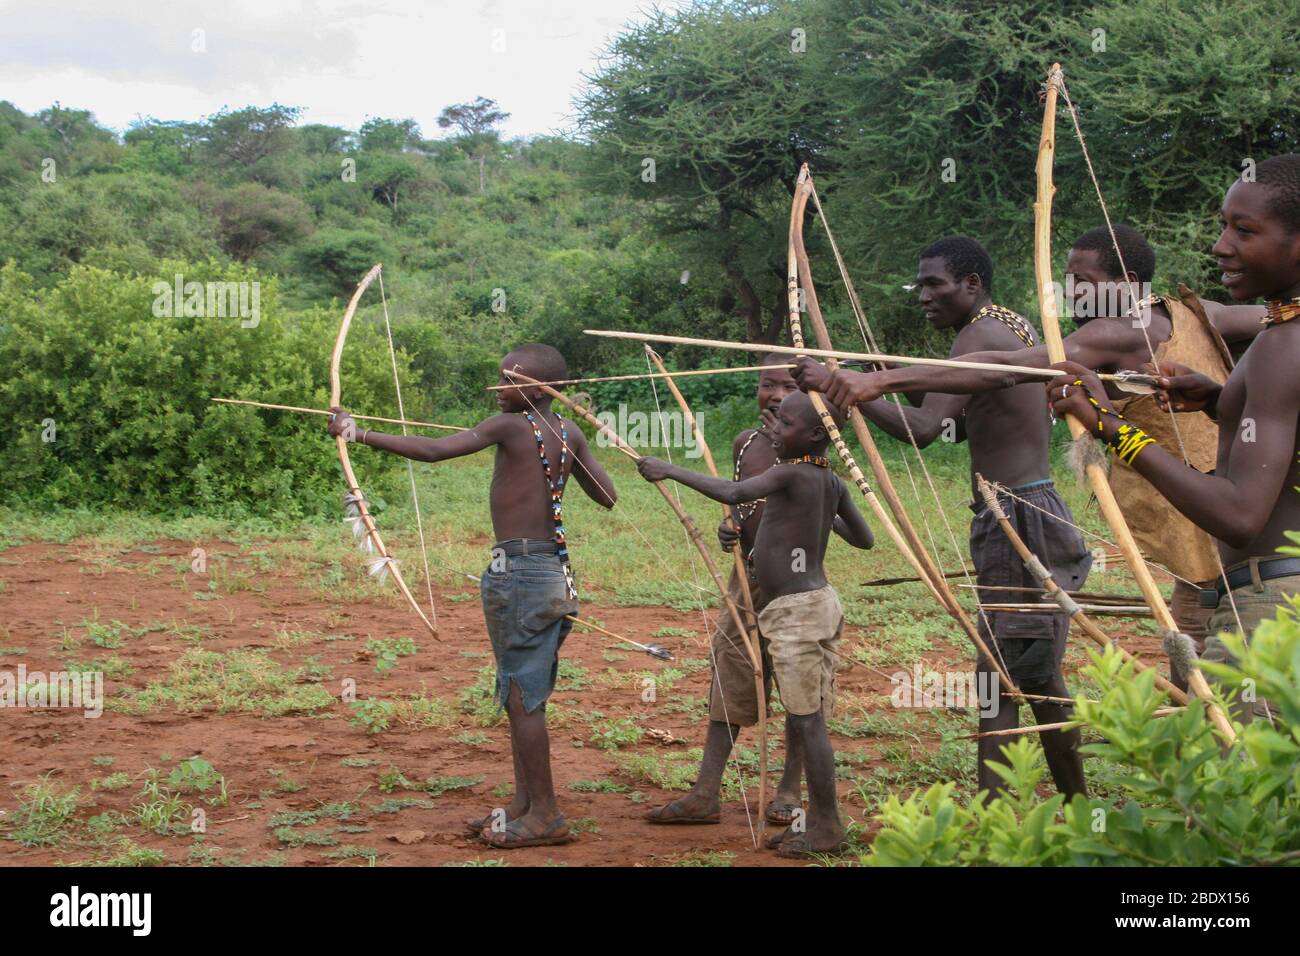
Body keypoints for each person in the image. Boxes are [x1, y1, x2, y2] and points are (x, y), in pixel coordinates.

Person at [804, 224, 1264, 691]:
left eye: (1082, 280)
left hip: (1204, 527)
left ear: (1127, 280)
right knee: (1218, 677)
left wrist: (874, 384)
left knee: (1202, 692)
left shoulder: (1111, 331)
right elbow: (1274, 314)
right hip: (1223, 529)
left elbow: (1004, 372)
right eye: (1066, 279)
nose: (1069, 291)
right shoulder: (1197, 312)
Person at [794, 235, 1090, 802]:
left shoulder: (978, 334)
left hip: (1016, 519)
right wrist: (865, 375)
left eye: (935, 284)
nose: (923, 295)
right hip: (1029, 509)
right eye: (921, 284)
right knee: (1036, 678)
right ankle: (1078, 808)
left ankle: (995, 830)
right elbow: (942, 399)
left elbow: (924, 429)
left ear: (971, 284)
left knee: (998, 685)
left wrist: (843, 392)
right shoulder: (1010, 324)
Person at [330, 343, 617, 847]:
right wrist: (571, 446)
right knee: (521, 691)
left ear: (539, 389)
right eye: (500, 379)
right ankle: (525, 804)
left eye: (509, 381)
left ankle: (545, 814)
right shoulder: (568, 431)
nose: (499, 389)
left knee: (523, 696)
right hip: (551, 570)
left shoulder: (509, 425)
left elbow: (437, 450)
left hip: (522, 573)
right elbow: (607, 495)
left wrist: (360, 434)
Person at [1049, 154, 1300, 724]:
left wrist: (1112, 428)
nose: (1220, 245)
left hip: (1273, 611)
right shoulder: (1282, 334)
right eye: (1223, 225)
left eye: (1244, 230)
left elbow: (1239, 514)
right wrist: (1217, 399)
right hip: (1280, 597)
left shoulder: (1285, 346)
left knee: (1241, 805)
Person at [637, 390, 874, 857]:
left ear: (811, 435)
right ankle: (814, 819)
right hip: (816, 604)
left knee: (807, 722)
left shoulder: (787, 473)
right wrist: (820, 518)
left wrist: (669, 469)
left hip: (796, 613)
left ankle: (827, 826)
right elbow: (864, 538)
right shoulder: (830, 482)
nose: (773, 428)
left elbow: (732, 493)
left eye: (783, 423)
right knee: (808, 718)